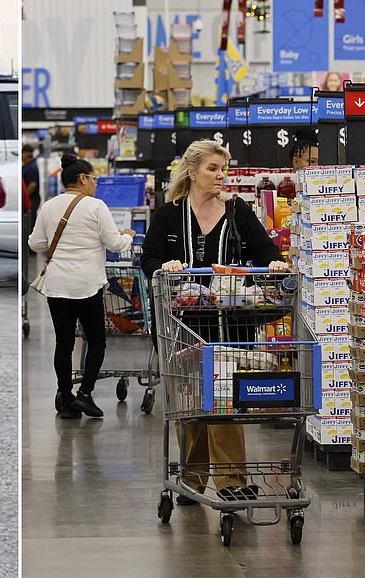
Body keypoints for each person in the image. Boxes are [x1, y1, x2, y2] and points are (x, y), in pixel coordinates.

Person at [141, 139, 289, 502]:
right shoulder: (169, 215)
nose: (221, 175)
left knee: (222, 402)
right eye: (213, 168)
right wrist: (165, 267)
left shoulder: (238, 211)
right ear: (192, 173)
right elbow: (149, 259)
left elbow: (266, 249)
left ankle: (231, 481)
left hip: (231, 329)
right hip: (183, 330)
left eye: (223, 169)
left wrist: (274, 263)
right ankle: (192, 481)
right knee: (189, 407)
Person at [28, 154, 135, 419]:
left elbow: (35, 243)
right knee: (96, 341)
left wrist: (59, 245)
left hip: (57, 285)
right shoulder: (96, 206)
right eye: (94, 179)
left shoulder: (49, 207)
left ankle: (65, 399)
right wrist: (128, 236)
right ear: (83, 178)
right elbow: (115, 244)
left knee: (63, 344)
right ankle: (85, 395)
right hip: (87, 285)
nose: (96, 184)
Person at [22, 145, 41, 217]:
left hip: (32, 199)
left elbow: (32, 185)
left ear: (25, 155)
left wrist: (24, 197)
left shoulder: (31, 167)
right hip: (30, 199)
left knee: (30, 223)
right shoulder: (27, 166)